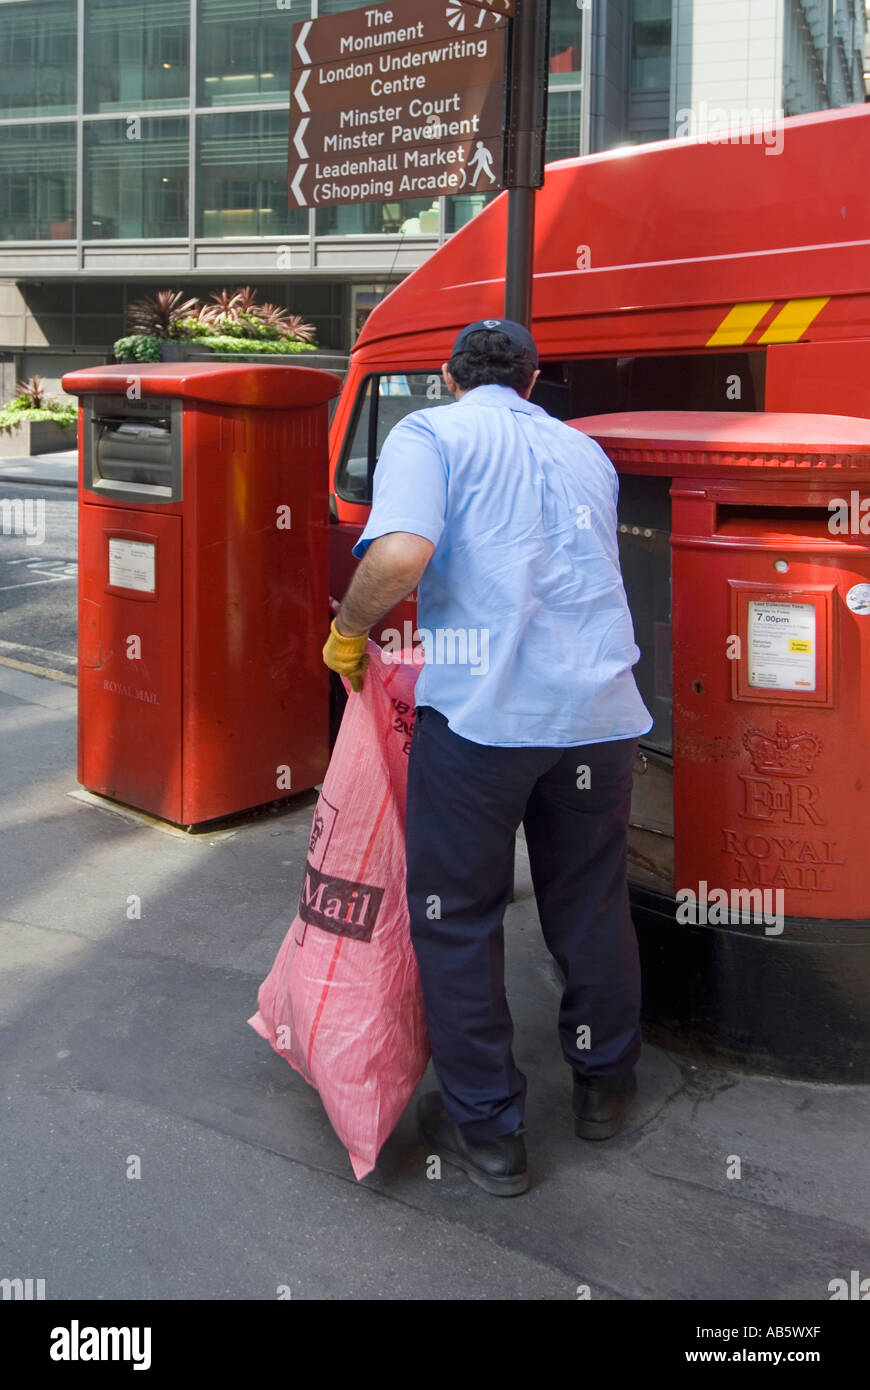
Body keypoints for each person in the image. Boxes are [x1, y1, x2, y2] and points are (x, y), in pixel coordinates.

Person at [323, 320, 653, 1196]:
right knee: (589, 900)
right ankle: (605, 1090)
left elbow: (399, 552)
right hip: (600, 714)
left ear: (448, 375)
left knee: (458, 916)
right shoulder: (586, 453)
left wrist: (349, 628)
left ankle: (491, 1130)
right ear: (535, 379)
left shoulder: (430, 431)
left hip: (483, 721)